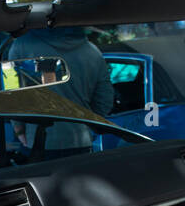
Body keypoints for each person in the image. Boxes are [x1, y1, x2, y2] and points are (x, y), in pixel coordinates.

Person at [7, 26, 114, 160]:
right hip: (80, 142)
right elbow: (105, 98)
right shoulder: (92, 51)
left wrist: (19, 130)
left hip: (37, 142)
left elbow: (13, 96)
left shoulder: (21, 46)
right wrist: (90, 126)